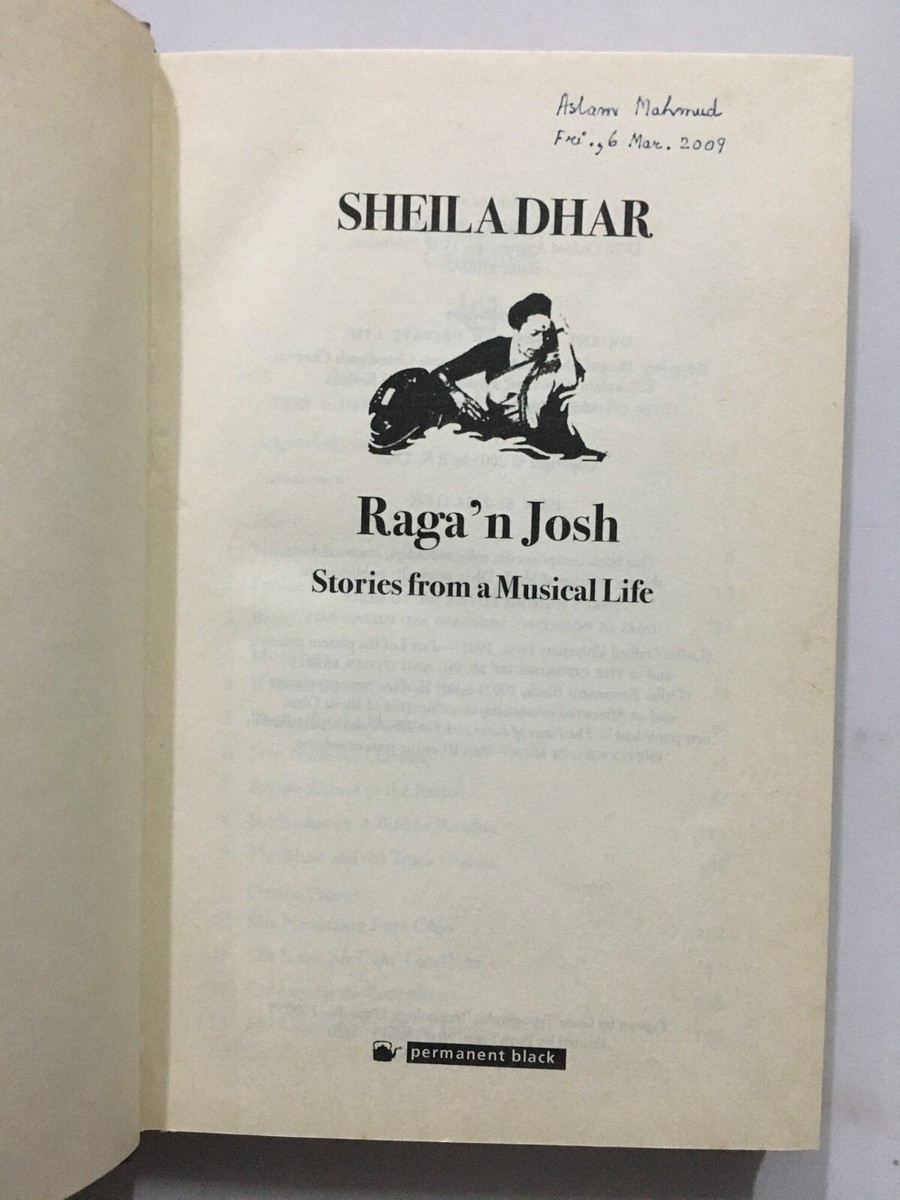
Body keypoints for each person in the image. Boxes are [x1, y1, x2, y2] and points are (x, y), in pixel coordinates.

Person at [368, 293, 605, 458]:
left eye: (546, 334)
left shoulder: (555, 356)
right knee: (421, 384)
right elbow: (441, 373)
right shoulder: (496, 349)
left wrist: (563, 334)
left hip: (545, 440)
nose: (540, 342)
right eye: (534, 333)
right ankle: (390, 435)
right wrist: (457, 394)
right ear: (517, 328)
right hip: (495, 430)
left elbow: (570, 380)